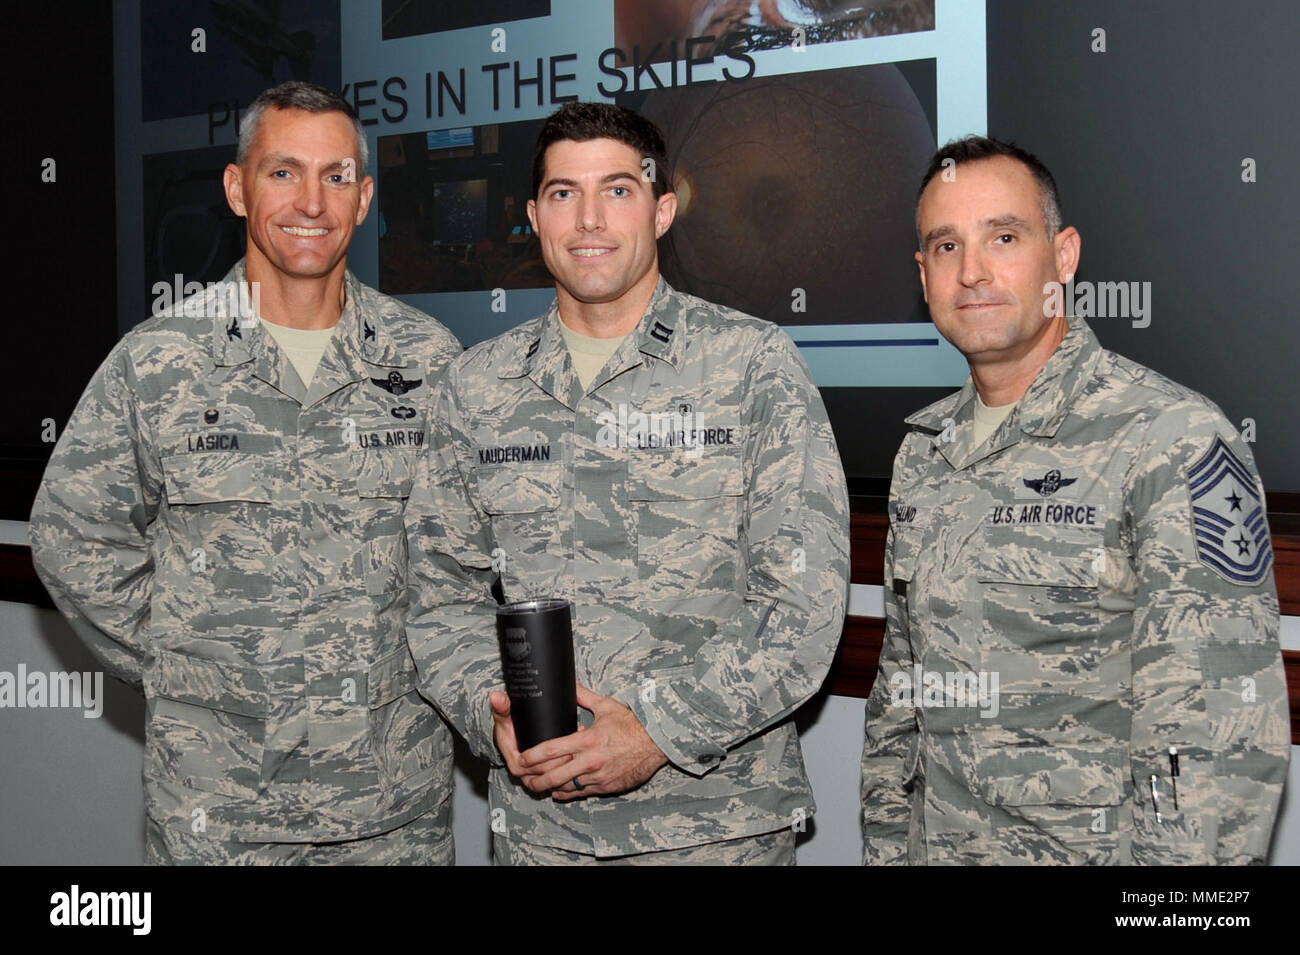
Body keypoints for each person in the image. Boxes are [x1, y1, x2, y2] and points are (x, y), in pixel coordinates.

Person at [404, 101, 850, 865]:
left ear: (663, 209)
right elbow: (440, 599)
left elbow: (802, 610)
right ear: (533, 217)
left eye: (618, 189)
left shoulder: (752, 366)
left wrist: (656, 731)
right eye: (563, 193)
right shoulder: (473, 389)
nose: (590, 220)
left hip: (715, 831)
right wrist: (495, 714)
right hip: (542, 834)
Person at [29, 81, 462, 864]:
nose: (312, 202)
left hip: (389, 812)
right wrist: (188, 664)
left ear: (364, 199)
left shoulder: (429, 361)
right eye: (283, 172)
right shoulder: (158, 361)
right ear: (237, 188)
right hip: (219, 813)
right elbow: (71, 537)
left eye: (336, 177)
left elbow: (467, 558)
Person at [860, 136, 1289, 864]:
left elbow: (1215, 740)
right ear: (923, 275)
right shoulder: (923, 456)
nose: (973, 271)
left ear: (1063, 256)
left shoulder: (1170, 438)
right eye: (945, 246)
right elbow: (901, 697)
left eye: (1004, 236)